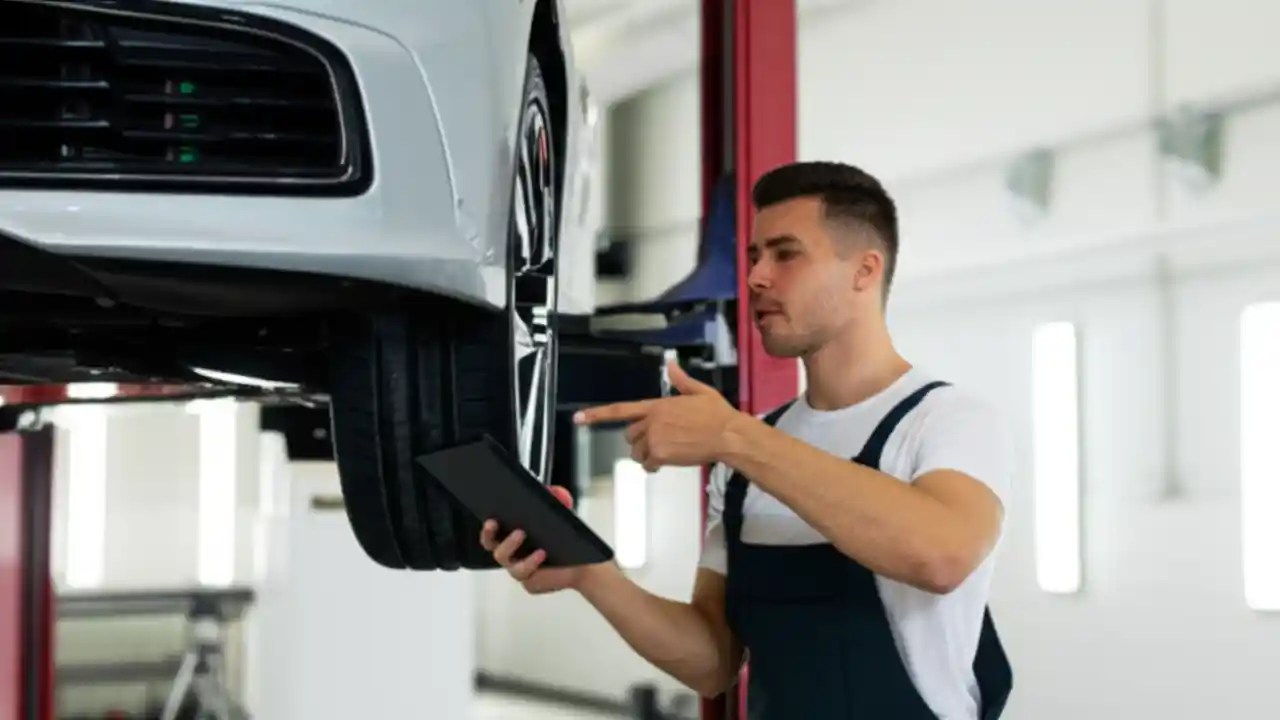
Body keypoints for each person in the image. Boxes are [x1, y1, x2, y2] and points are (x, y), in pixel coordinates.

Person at [479, 161, 1014, 719]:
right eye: (755, 256)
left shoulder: (948, 421)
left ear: (865, 271)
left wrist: (735, 435)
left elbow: (941, 555)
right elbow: (713, 659)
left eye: (785, 254)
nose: (756, 276)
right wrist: (591, 573)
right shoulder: (744, 459)